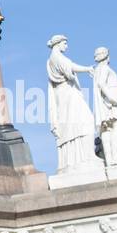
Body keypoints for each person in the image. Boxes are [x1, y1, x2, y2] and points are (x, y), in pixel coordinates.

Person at [45, 36, 97, 171]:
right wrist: (88, 69)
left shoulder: (53, 58)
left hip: (64, 95)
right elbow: (70, 67)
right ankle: (87, 156)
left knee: (73, 125)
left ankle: (79, 157)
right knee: (85, 121)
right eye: (65, 43)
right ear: (58, 44)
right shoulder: (56, 57)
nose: (66, 46)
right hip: (68, 94)